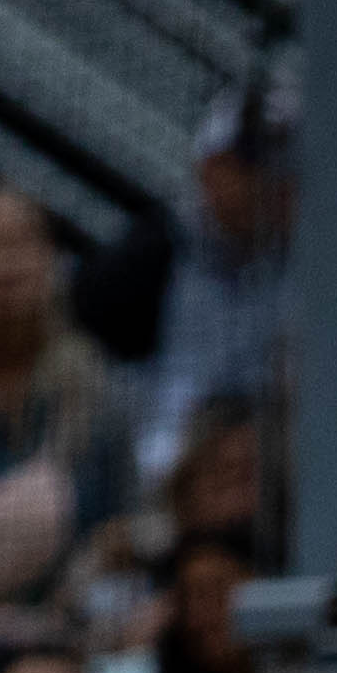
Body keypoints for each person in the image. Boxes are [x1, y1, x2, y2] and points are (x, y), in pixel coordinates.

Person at [107, 82, 295, 470]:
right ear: (207, 168)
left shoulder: (325, 270)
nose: (267, 184)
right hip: (157, 468)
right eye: (250, 165)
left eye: (286, 166)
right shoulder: (147, 255)